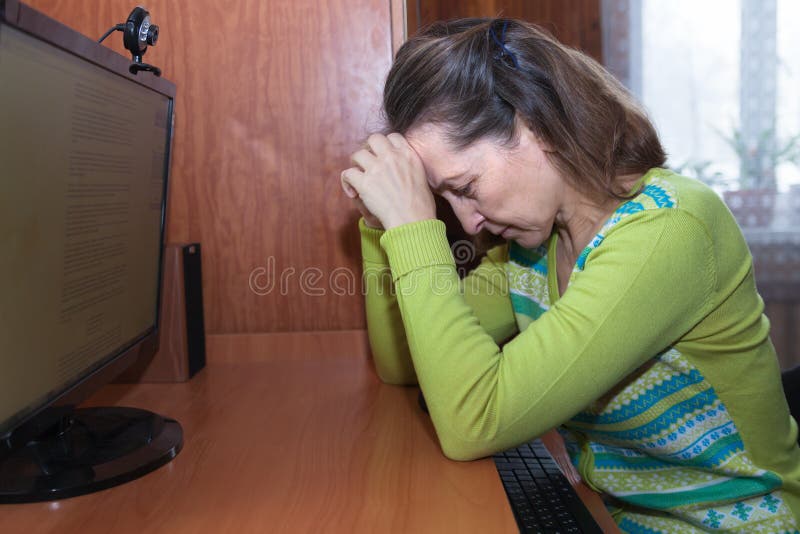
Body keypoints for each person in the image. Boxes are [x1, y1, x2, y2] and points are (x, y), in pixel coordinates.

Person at [339, 18, 800, 533]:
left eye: (465, 187)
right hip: (617, 520)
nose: (467, 222)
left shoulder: (670, 231)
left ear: (537, 127)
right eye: (444, 200)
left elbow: (474, 420)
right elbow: (403, 364)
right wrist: (381, 229)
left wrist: (414, 229)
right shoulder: (533, 249)